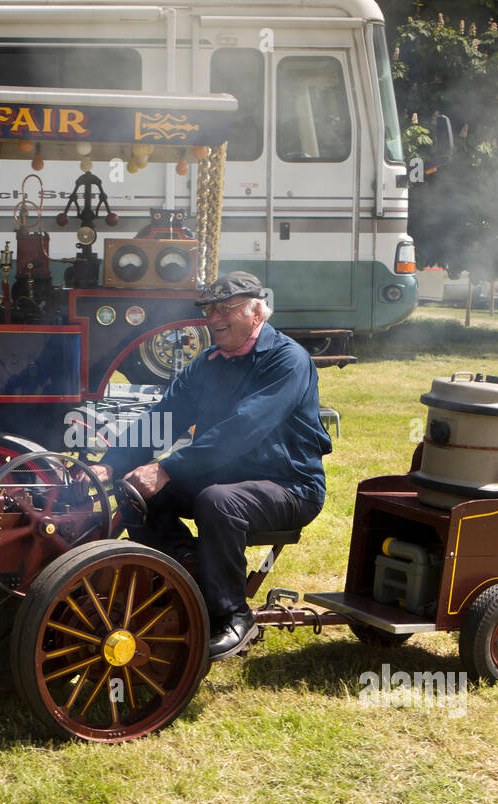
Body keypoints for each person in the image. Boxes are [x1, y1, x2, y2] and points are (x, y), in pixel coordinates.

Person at [93, 271, 331, 661]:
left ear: (256, 311)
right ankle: (185, 581)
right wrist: (111, 465)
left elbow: (244, 428)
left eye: (226, 309)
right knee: (135, 489)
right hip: (224, 477)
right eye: (209, 310)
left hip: (289, 485)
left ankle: (233, 615)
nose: (214, 318)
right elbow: (164, 418)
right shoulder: (207, 362)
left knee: (219, 502)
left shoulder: (287, 360)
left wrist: (168, 468)